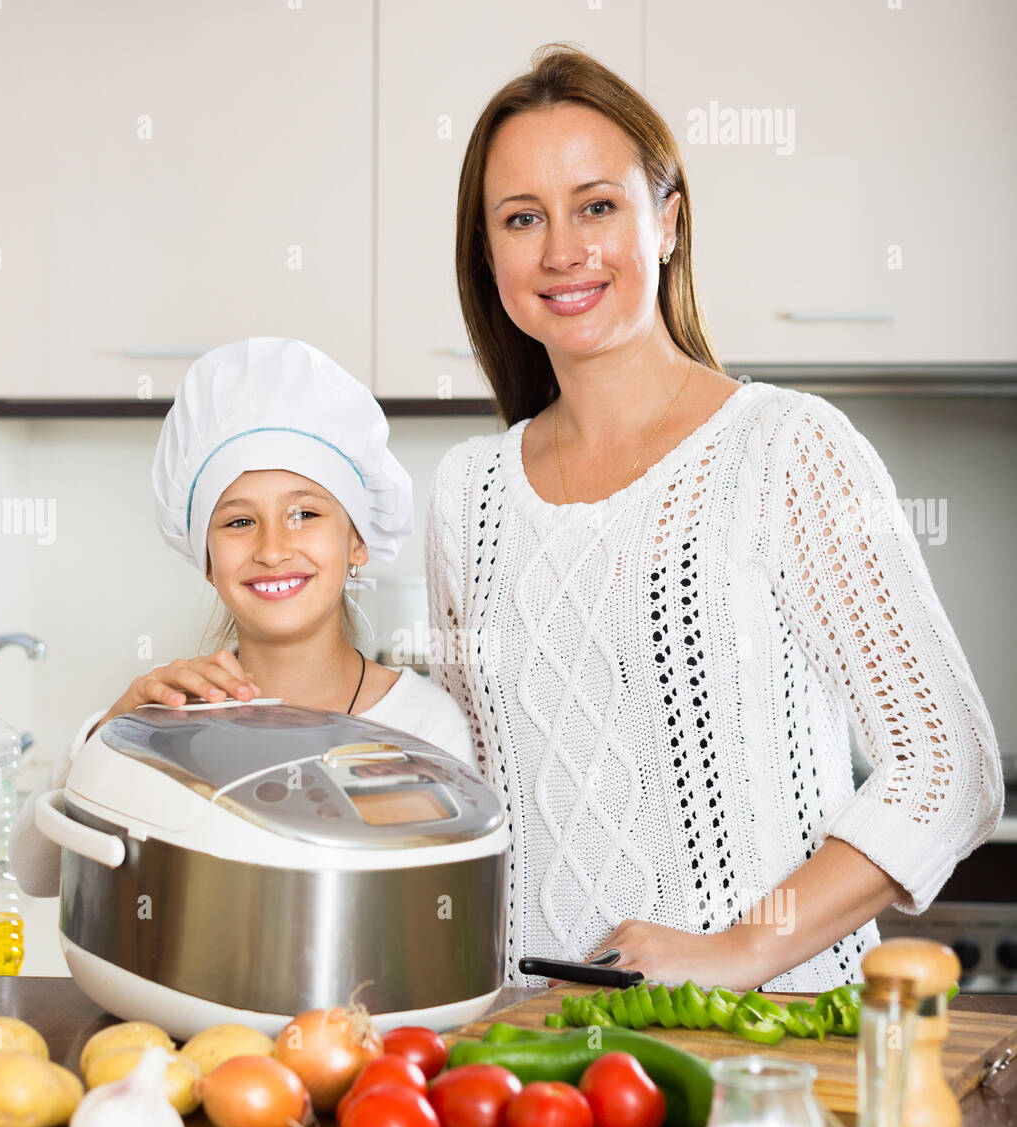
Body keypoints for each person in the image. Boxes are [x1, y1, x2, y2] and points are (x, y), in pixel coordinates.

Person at [425, 44, 1003, 992]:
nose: (562, 249)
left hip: (767, 1048)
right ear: (489, 256)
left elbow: (947, 769)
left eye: (597, 205)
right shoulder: (467, 495)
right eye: (522, 218)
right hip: (539, 1058)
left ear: (667, 223)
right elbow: (469, 782)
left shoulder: (785, 448)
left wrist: (734, 955)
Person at [11, 337, 476, 897]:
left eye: (304, 513)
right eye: (238, 522)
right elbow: (39, 875)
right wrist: (111, 733)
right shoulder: (171, 720)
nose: (273, 548)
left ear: (357, 541)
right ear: (206, 560)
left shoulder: (425, 726)